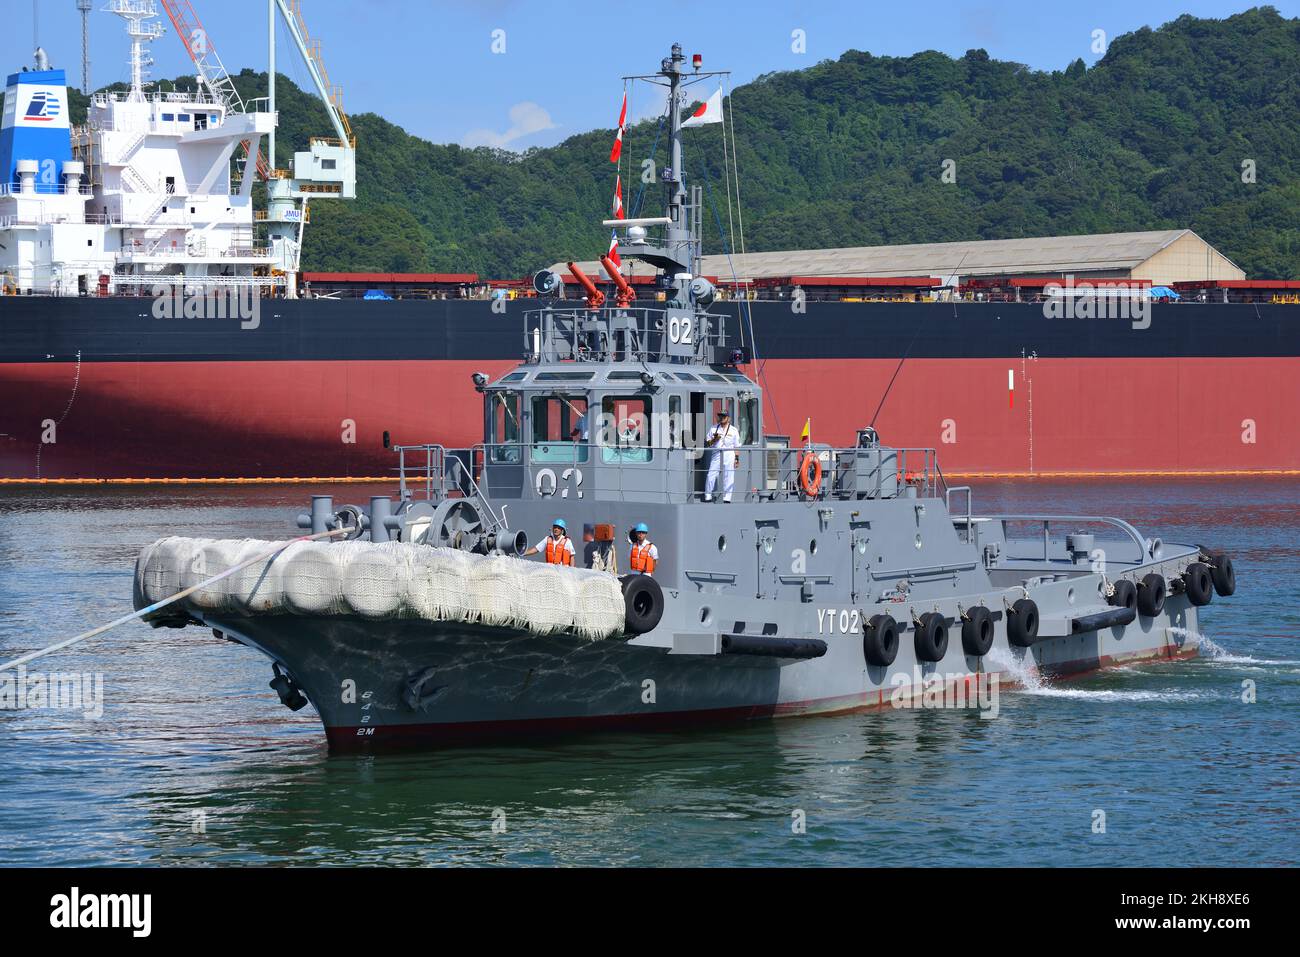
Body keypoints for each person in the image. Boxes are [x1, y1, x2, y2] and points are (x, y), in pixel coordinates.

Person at [703, 408, 740, 503]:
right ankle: (708, 495)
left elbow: (736, 446)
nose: (722, 418)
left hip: (729, 453)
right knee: (711, 474)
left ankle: (727, 498)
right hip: (717, 453)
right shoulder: (713, 428)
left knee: (729, 475)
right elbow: (707, 443)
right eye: (720, 416)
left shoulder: (734, 430)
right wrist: (714, 440)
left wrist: (737, 459)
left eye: (724, 416)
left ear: (728, 418)